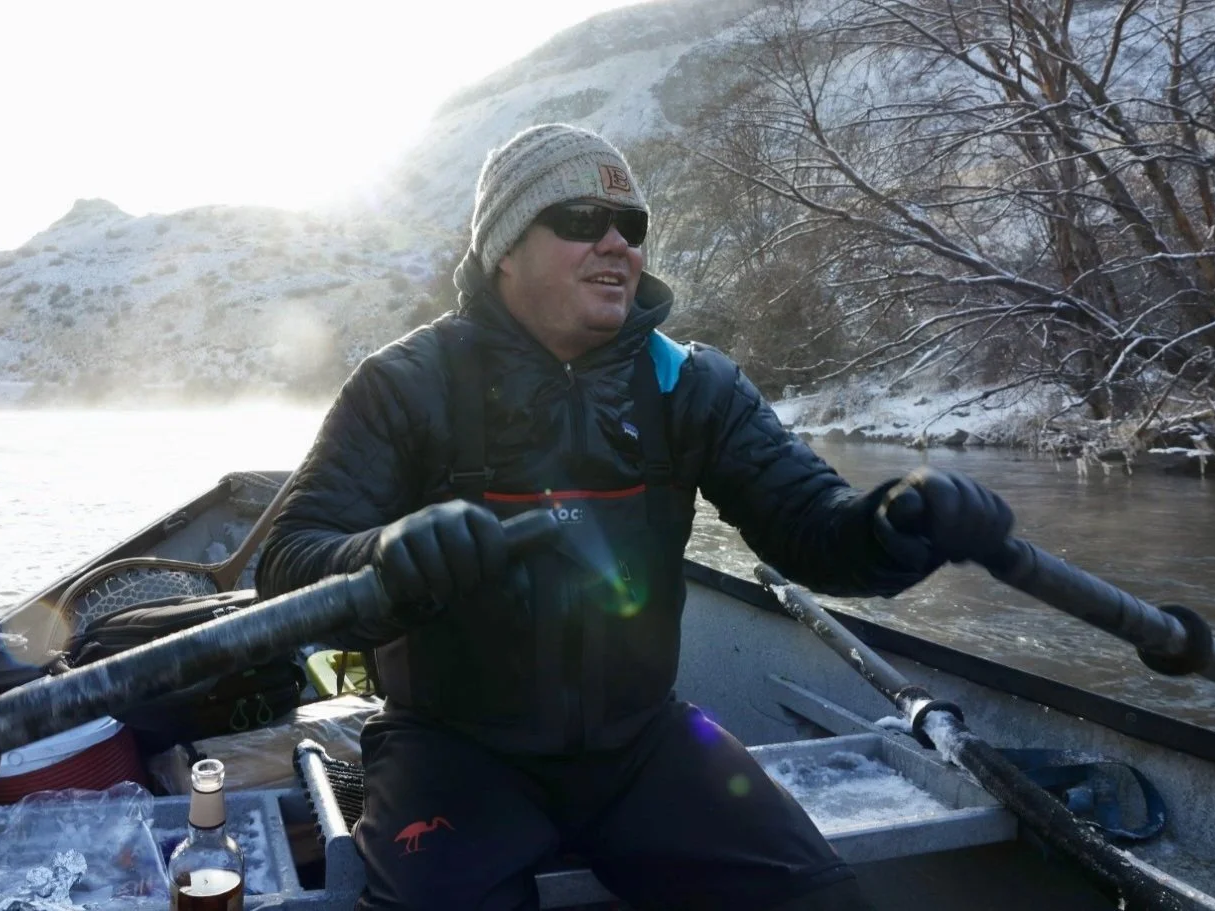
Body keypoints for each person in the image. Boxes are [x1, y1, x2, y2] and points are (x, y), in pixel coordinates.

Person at [256, 124, 1014, 911]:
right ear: (505, 248)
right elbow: (285, 570)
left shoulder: (692, 386)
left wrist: (896, 525)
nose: (617, 243)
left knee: (818, 900)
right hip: (452, 748)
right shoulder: (404, 385)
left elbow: (815, 529)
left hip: (644, 741)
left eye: (633, 228)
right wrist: (387, 558)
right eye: (582, 220)